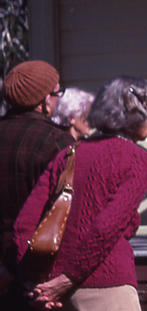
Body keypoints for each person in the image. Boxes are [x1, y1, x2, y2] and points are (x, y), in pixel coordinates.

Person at [14, 76, 147, 311]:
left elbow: (24, 225)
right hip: (106, 286)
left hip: (54, 292)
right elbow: (105, 226)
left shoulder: (68, 154)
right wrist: (68, 279)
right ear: (137, 112)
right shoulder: (138, 160)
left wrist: (35, 282)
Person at [0, 61, 73, 304]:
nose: (59, 99)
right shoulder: (57, 141)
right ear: (44, 100)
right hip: (38, 267)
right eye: (57, 92)